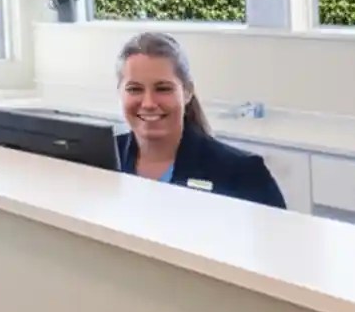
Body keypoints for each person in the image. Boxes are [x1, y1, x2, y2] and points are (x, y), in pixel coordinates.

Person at [115, 32, 286, 209]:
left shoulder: (242, 173)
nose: (149, 103)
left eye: (163, 89)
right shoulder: (103, 162)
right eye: (134, 89)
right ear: (119, 92)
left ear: (187, 92)